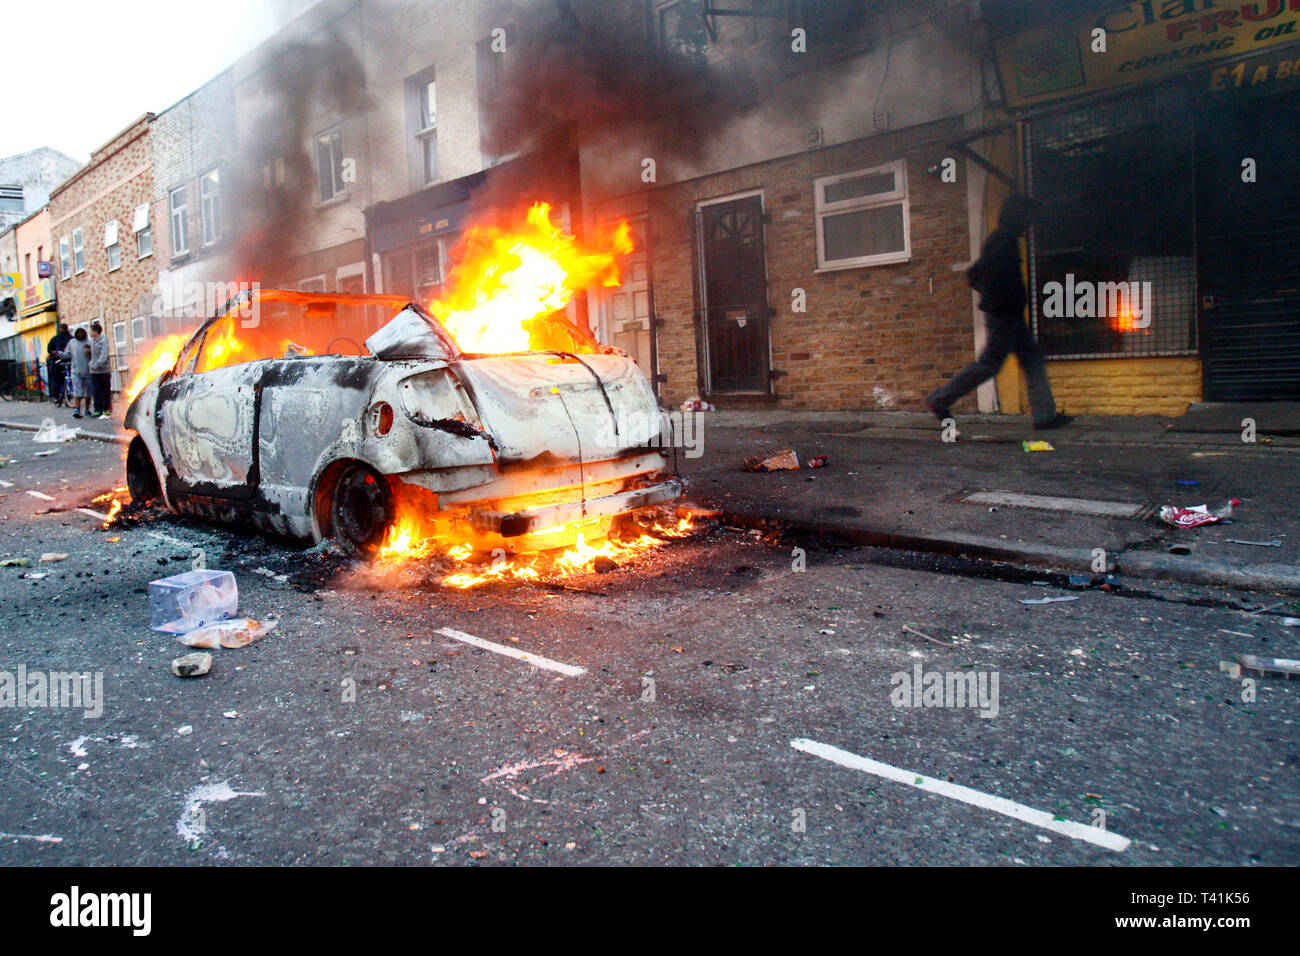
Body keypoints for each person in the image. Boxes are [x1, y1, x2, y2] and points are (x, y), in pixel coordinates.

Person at [926, 193, 1072, 431]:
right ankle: (940, 399)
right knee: (990, 364)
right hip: (1005, 316)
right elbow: (981, 276)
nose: (1030, 222)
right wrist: (998, 304)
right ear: (1019, 216)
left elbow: (976, 274)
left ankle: (1045, 416)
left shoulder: (1002, 239)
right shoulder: (1003, 241)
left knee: (1031, 359)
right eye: (1028, 216)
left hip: (1008, 314)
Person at [61, 327, 93, 419]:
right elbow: (67, 354)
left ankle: (87, 410)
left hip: (87, 371)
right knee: (77, 391)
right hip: (76, 371)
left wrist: (89, 351)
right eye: (78, 333)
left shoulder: (89, 343)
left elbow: (94, 354)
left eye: (81, 333)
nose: (80, 334)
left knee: (88, 392)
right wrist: (58, 353)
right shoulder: (72, 343)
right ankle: (77, 409)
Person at [88, 321, 113, 419]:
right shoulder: (92, 341)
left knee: (105, 390)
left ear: (95, 331)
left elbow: (104, 354)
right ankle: (98, 410)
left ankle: (107, 409)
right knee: (96, 391)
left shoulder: (103, 340)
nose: (89, 333)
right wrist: (91, 364)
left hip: (104, 371)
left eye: (91, 331)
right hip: (94, 371)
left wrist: (97, 364)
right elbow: (93, 355)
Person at [47, 323, 71, 405]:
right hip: (57, 361)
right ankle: (56, 396)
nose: (63, 330)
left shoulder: (70, 339)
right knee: (56, 379)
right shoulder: (55, 339)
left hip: (68, 360)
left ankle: (68, 394)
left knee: (69, 377)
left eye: (64, 328)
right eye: (62, 328)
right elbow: (50, 349)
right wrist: (53, 353)